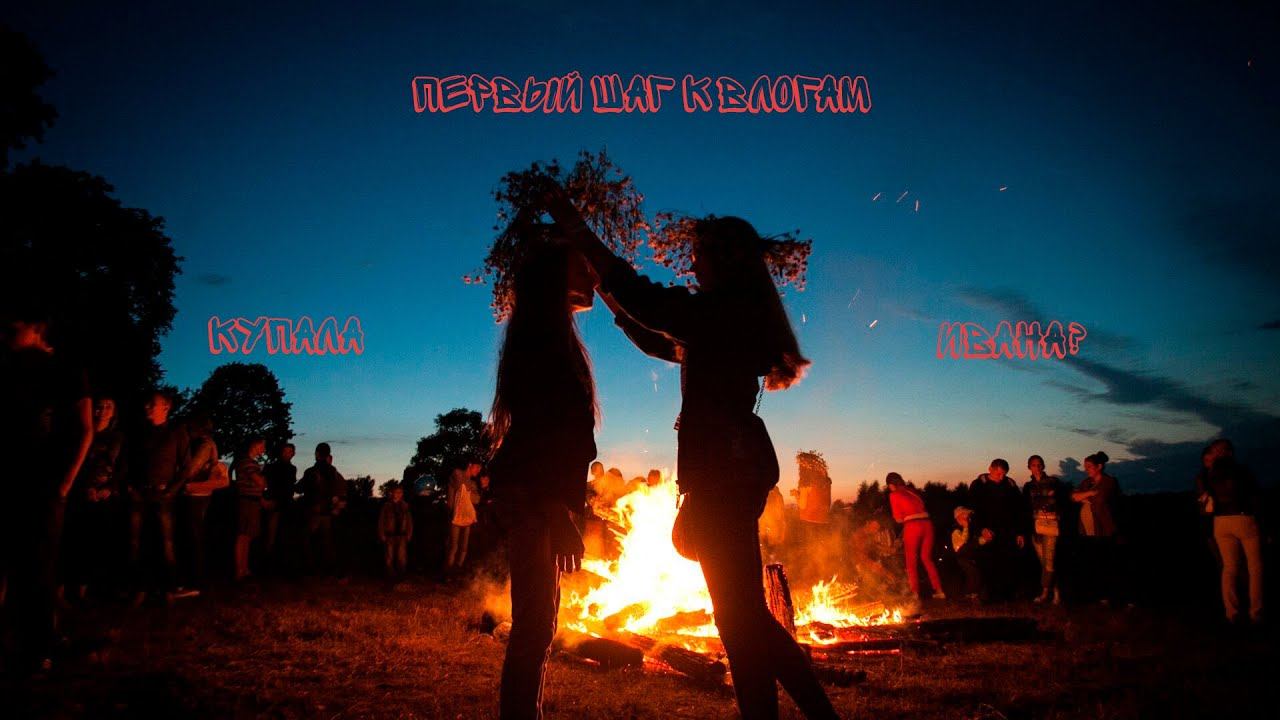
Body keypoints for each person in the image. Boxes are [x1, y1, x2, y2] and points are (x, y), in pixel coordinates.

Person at [548, 188, 839, 720]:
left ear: (724, 259)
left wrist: (580, 233)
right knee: (742, 617)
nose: (693, 261)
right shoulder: (725, 318)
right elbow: (657, 337)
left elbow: (653, 305)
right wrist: (607, 291)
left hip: (725, 477)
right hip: (726, 475)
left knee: (741, 618)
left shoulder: (727, 313)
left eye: (700, 253)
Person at [485, 239, 598, 720]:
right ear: (555, 280)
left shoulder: (548, 336)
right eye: (582, 269)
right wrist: (557, 508)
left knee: (539, 624)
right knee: (534, 625)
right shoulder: (543, 342)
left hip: (536, 495)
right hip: (535, 496)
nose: (592, 277)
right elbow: (545, 431)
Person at [0, 303, 93, 673]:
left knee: (37, 565)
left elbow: (84, 429)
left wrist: (65, 482)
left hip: (44, 483)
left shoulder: (65, 370)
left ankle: (39, 646)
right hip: (10, 477)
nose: (6, 333)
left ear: (37, 327)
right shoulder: (8, 370)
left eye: (13, 326)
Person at [125, 389, 196, 606]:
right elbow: (128, 462)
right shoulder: (139, 433)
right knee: (136, 543)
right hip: (139, 495)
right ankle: (140, 588)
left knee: (166, 543)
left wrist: (171, 491)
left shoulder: (176, 432)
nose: (147, 407)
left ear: (166, 407)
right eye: (146, 403)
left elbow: (186, 467)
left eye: (152, 404)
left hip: (164, 494)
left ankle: (168, 589)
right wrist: (130, 487)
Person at [63, 396, 126, 604]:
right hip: (79, 494)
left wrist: (110, 487)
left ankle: (87, 589)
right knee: (74, 541)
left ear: (114, 412)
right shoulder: (81, 435)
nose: (103, 410)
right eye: (100, 406)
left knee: (97, 542)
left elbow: (123, 467)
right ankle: (64, 588)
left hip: (105, 496)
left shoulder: (118, 438)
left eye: (109, 406)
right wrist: (84, 487)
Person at [1203, 439, 1263, 625]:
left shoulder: (1211, 475)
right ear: (1229, 452)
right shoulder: (1242, 471)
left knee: (1229, 568)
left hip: (1221, 521)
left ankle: (1232, 612)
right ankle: (1256, 612)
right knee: (1255, 567)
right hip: (1243, 518)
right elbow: (1254, 496)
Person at [967, 459, 1026, 603]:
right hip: (987, 530)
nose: (1001, 477)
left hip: (1007, 530)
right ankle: (987, 596)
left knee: (1006, 563)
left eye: (1004, 474)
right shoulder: (978, 485)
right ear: (990, 469)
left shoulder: (1010, 484)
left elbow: (1018, 510)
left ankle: (1006, 596)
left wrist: (1019, 532)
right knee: (987, 563)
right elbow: (973, 509)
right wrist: (981, 528)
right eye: (998, 474)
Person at [178, 412, 223, 596]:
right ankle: (192, 580)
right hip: (197, 493)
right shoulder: (204, 443)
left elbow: (191, 469)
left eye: (189, 427)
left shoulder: (204, 444)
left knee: (193, 537)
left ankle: (194, 582)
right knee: (192, 536)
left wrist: (176, 473)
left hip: (197, 494)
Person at [1071, 451, 1123, 605]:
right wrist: (1088, 493)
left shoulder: (1109, 482)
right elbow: (1073, 496)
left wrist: (1084, 497)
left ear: (1099, 466)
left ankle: (1110, 595)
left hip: (1103, 529)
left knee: (1106, 562)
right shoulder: (1087, 483)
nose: (1086, 469)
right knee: (1091, 563)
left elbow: (1100, 498)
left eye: (1089, 466)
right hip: (1087, 530)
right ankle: (1096, 594)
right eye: (1085, 466)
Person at [886, 472, 945, 600]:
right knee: (927, 558)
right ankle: (939, 591)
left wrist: (903, 517)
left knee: (911, 560)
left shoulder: (894, 494)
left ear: (891, 485)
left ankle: (915, 593)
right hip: (928, 524)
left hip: (913, 526)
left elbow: (898, 519)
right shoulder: (912, 491)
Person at [1023, 455, 1067, 604]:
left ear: (1043, 465)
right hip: (1035, 527)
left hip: (1051, 525)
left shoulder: (1053, 482)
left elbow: (1060, 501)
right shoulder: (1028, 486)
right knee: (1044, 562)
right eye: (1033, 465)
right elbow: (1027, 507)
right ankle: (1050, 593)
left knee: (1050, 562)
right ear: (1029, 467)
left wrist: (1046, 502)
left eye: (1039, 464)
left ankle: (1049, 592)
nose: (1037, 467)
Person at [299, 442, 346, 576]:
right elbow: (339, 490)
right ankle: (329, 569)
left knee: (308, 539)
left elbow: (300, 488)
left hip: (313, 511)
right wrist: (336, 505)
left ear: (317, 454)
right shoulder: (333, 472)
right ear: (328, 455)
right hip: (327, 512)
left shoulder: (311, 472)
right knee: (327, 542)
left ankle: (310, 568)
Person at [232, 437, 267, 582]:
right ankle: (240, 570)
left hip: (251, 501)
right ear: (255, 445)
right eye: (263, 446)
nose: (264, 449)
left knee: (247, 535)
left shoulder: (248, 462)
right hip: (247, 501)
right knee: (243, 536)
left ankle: (244, 568)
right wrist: (264, 479)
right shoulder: (248, 463)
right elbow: (260, 482)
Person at [262, 442, 298, 563]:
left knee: (284, 533)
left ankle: (280, 559)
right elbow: (264, 483)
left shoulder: (292, 469)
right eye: (286, 451)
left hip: (286, 503)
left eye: (290, 451)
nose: (288, 454)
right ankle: (269, 559)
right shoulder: (272, 467)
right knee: (271, 533)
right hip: (275, 502)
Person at [446, 460, 482, 573]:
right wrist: (467, 490)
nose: (478, 470)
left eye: (480, 469)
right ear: (470, 465)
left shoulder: (473, 483)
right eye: (477, 467)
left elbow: (477, 499)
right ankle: (448, 571)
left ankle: (458, 569)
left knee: (464, 547)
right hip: (455, 516)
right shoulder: (457, 473)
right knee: (453, 546)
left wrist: (467, 491)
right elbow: (459, 484)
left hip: (467, 517)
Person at [378, 483, 413, 581]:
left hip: (402, 536)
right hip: (389, 535)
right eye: (396, 492)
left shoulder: (405, 506)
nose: (398, 494)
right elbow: (381, 521)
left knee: (402, 558)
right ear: (392, 493)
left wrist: (409, 534)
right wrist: (382, 534)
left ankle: (400, 577)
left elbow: (409, 521)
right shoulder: (386, 506)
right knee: (389, 557)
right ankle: (390, 577)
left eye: (400, 492)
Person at [950, 506, 985, 600]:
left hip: (969, 556)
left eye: (969, 516)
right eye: (966, 516)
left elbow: (973, 542)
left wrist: (984, 539)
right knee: (972, 574)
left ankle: (973, 593)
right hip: (962, 557)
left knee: (975, 574)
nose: (969, 519)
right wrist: (966, 527)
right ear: (958, 518)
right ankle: (968, 593)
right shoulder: (956, 531)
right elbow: (963, 541)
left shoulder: (968, 528)